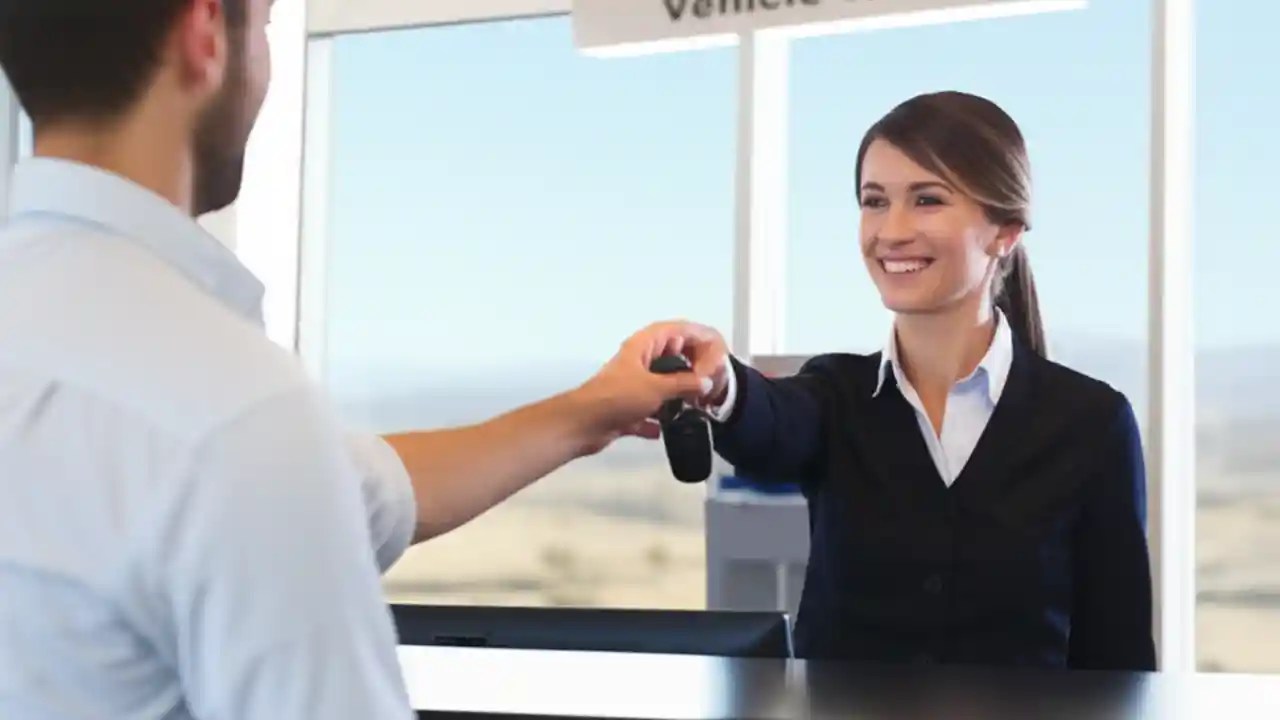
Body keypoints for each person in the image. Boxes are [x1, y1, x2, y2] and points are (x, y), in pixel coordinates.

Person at [0, 2, 713, 718]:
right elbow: (271, 466)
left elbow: (351, 485)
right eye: (270, 23)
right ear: (205, 33)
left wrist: (588, 410)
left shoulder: (183, 406)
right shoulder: (230, 413)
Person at [626, 91, 1157, 671]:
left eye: (927, 200)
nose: (891, 230)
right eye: (874, 201)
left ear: (1005, 230)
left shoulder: (1091, 423)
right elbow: (771, 424)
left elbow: (1120, 661)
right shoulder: (835, 395)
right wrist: (720, 383)